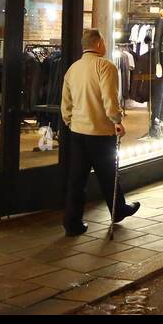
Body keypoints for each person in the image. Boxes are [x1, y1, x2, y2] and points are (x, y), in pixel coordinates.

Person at [61, 29, 140, 236]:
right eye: (103, 42)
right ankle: (118, 209)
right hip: (100, 131)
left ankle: (72, 222)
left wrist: (70, 121)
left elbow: (66, 102)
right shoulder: (105, 66)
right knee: (108, 175)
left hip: (78, 131)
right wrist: (117, 120)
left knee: (77, 179)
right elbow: (109, 99)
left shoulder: (73, 69)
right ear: (98, 44)